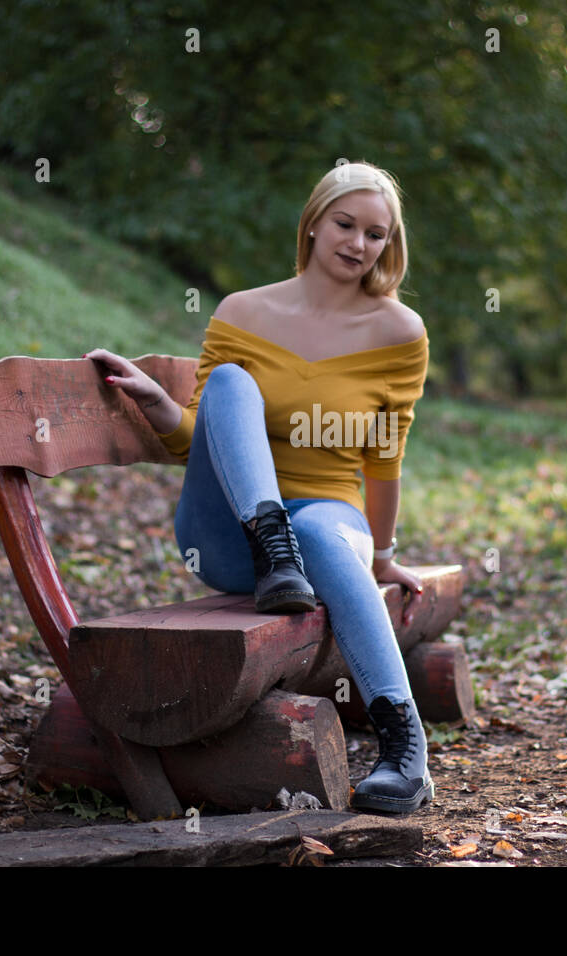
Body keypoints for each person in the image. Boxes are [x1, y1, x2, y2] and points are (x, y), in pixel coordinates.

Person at [84, 161, 433, 815]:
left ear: (392, 245)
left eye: (377, 234)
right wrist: (163, 406)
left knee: (315, 531)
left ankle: (404, 752)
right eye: (345, 224)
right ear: (312, 222)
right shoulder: (243, 312)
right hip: (231, 540)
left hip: (328, 521)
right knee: (229, 384)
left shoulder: (398, 334)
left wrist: (382, 557)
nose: (359, 245)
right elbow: (211, 442)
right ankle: (273, 548)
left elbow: (386, 458)